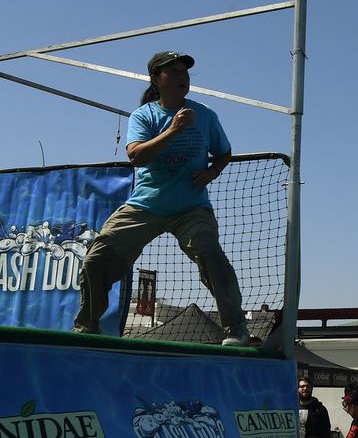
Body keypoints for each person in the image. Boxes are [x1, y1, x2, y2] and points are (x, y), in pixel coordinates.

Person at [72, 52, 248, 345]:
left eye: (186, 72)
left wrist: (213, 171)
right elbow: (137, 156)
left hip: (192, 207)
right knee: (97, 258)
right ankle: (87, 326)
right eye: (175, 71)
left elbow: (224, 152)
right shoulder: (144, 116)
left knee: (211, 255)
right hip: (146, 205)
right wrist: (173, 130)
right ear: (156, 79)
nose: (183, 77)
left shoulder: (205, 115)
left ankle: (236, 328)